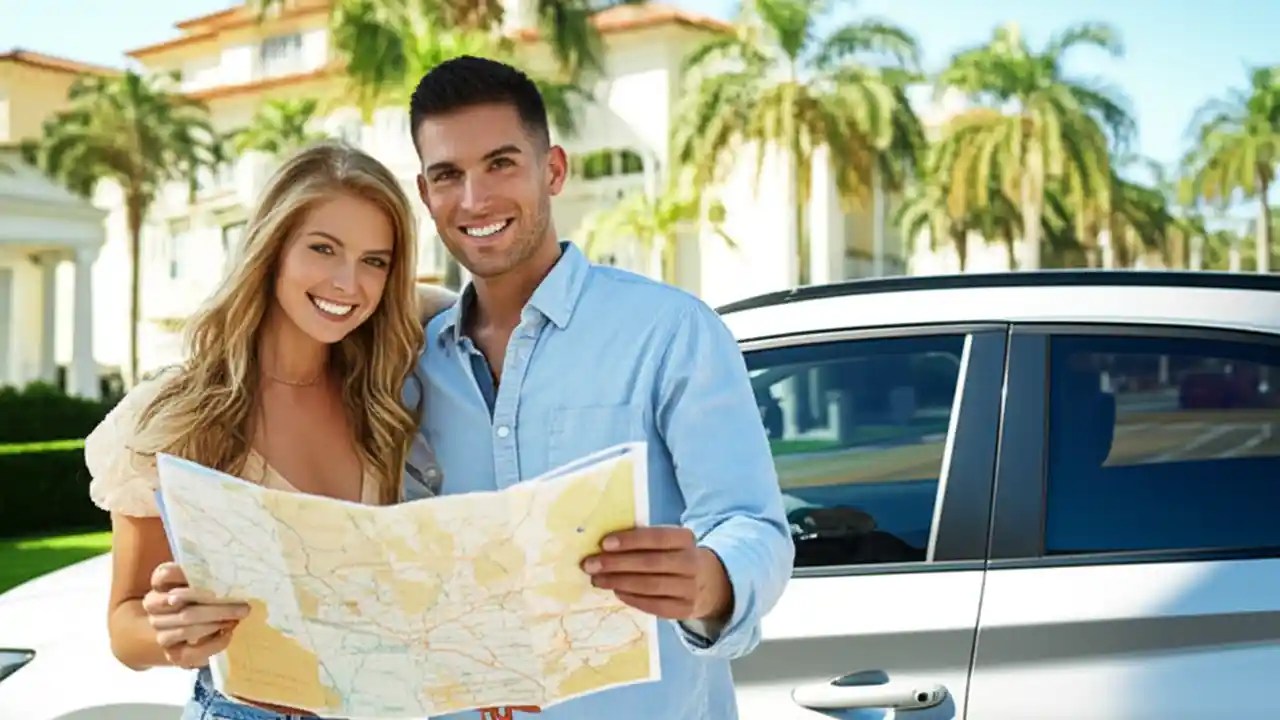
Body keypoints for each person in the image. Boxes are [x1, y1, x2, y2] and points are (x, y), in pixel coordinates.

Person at [406, 56, 795, 720]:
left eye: (501, 163)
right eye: (448, 175)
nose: (474, 200)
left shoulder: (671, 332)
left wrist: (710, 580)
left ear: (552, 170)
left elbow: (752, 525)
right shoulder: (412, 368)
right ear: (424, 192)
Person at [83, 141, 456, 720]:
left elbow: (459, 309)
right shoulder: (174, 414)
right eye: (323, 249)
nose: (347, 283)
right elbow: (124, 625)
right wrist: (176, 633)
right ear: (272, 248)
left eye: (374, 261)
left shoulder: (385, 387)